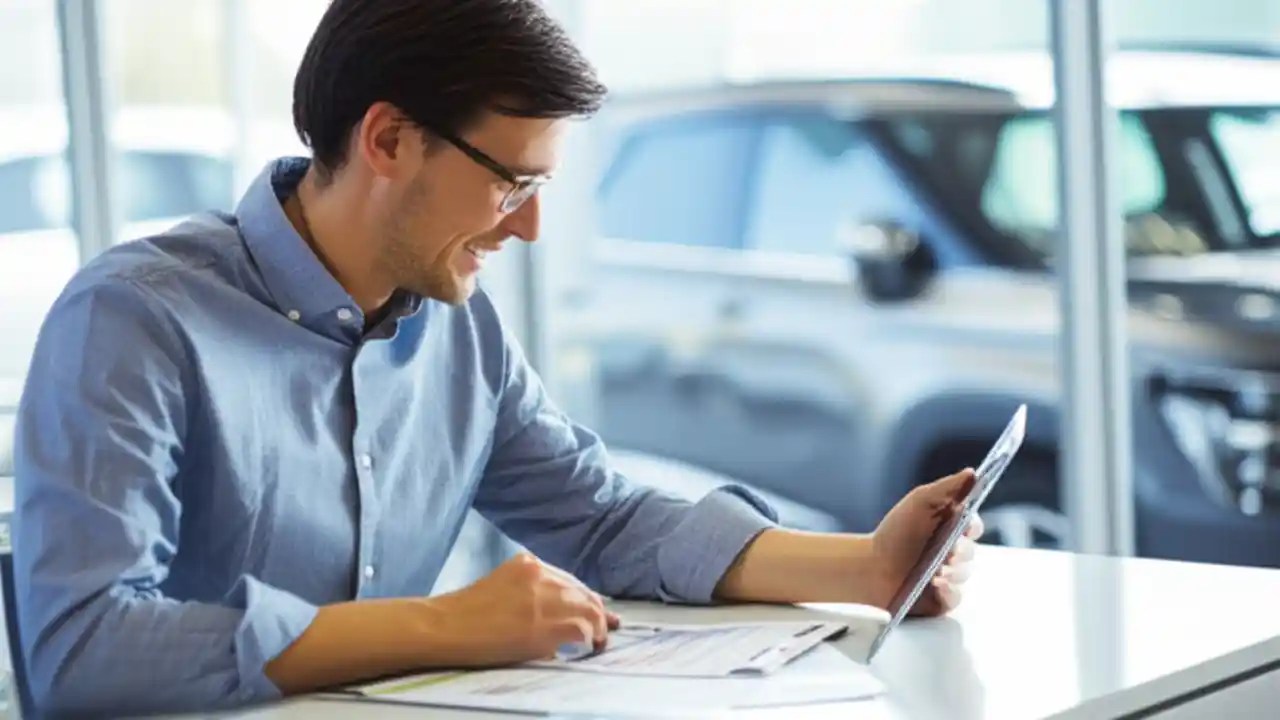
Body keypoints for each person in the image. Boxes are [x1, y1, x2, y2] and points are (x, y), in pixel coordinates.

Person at [13, 0, 983, 715]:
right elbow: (84, 649)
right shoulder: (133, 320)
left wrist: (867, 566)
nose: (528, 228)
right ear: (389, 139)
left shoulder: (452, 322)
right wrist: (441, 625)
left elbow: (602, 519)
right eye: (512, 184)